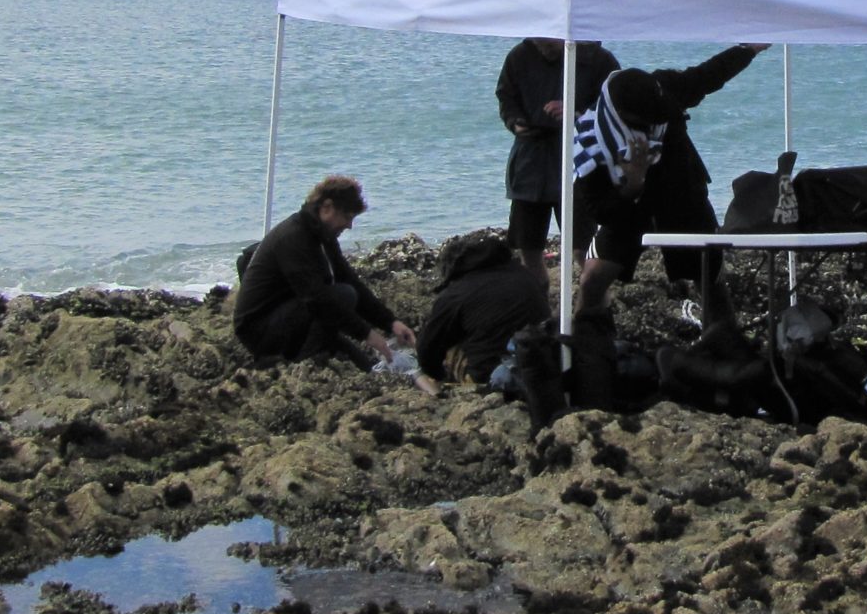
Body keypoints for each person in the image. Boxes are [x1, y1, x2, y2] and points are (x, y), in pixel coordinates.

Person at [570, 44, 770, 315]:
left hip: (682, 194)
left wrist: (748, 49)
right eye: (648, 121)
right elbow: (601, 210)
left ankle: (723, 337)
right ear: (625, 118)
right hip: (627, 210)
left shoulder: (662, 88)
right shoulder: (592, 143)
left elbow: (708, 75)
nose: (655, 123)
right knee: (592, 280)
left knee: (709, 279)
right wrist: (633, 182)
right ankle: (588, 334)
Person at [233, 175, 415, 368]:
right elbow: (316, 299)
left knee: (365, 366)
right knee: (344, 295)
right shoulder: (293, 237)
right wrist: (366, 334)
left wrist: (390, 323)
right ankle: (305, 361)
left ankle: (316, 352)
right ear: (327, 207)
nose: (349, 225)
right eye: (347, 216)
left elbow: (350, 280)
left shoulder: (322, 236)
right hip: (259, 330)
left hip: (290, 317)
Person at [496, 38, 621, 288]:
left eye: (549, 41)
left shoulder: (596, 58)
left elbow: (615, 105)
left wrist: (576, 112)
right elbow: (506, 95)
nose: (543, 45)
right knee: (529, 248)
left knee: (582, 248)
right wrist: (515, 121)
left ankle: (596, 304)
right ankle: (539, 306)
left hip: (580, 161)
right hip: (531, 162)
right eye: (538, 39)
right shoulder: (521, 55)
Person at [415, 229, 551, 384]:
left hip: (493, 375)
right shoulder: (522, 273)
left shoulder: (455, 294)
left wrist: (438, 375)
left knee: (447, 345)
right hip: (544, 363)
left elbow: (426, 353)